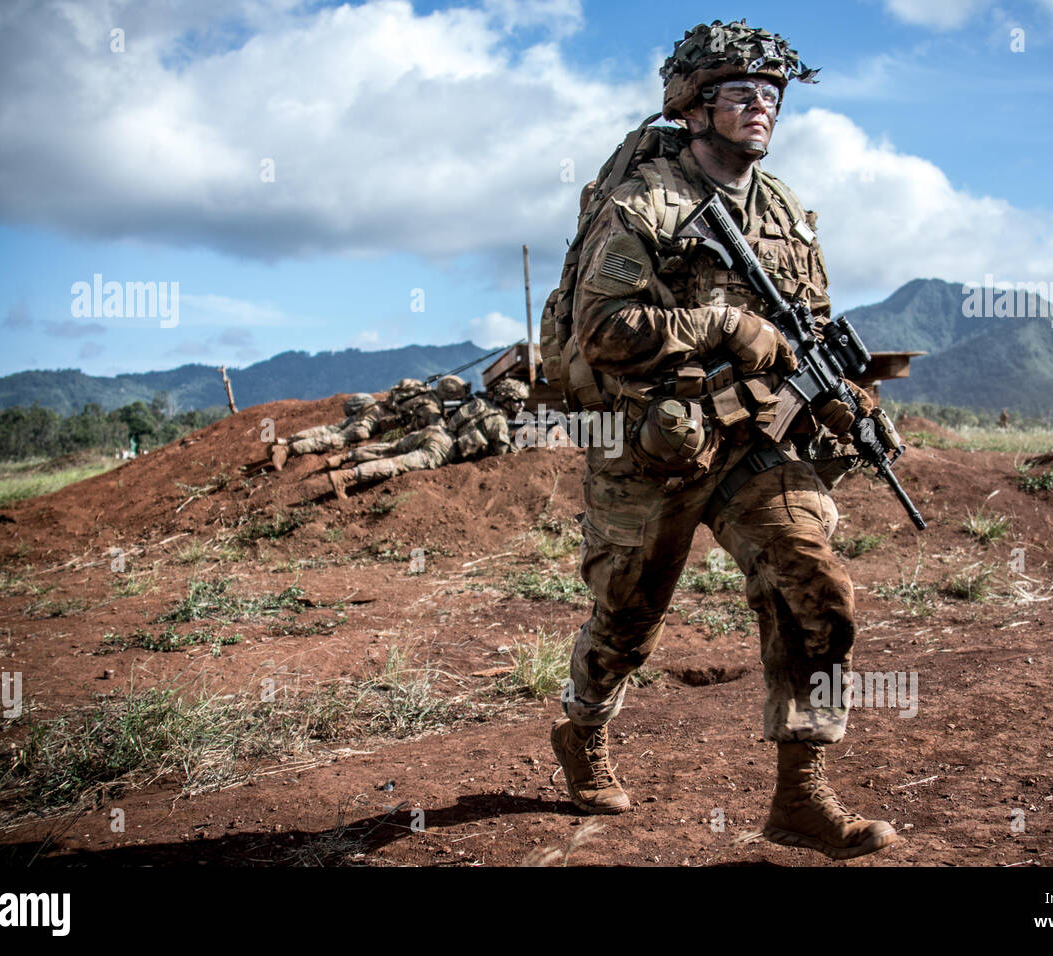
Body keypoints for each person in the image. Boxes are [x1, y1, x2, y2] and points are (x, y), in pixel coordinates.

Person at [548, 19, 898, 861]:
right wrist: (722, 325)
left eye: (772, 95)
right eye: (741, 92)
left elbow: (806, 325)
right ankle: (583, 729)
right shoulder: (645, 203)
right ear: (694, 105)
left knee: (813, 585)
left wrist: (847, 397)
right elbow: (603, 332)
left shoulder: (782, 211)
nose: (762, 107)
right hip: (651, 445)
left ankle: (800, 797)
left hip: (755, 442)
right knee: (628, 617)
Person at [326, 378, 528, 497]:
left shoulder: (480, 404)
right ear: (505, 399)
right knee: (398, 463)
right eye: (517, 401)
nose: (521, 406)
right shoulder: (498, 422)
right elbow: (501, 453)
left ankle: (344, 457)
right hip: (443, 448)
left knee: (390, 447)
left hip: (436, 432)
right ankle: (346, 476)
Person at [270, 375, 468, 471]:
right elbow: (427, 430)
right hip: (376, 419)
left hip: (374, 408)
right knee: (343, 437)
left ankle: (284, 441)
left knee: (332, 428)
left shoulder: (422, 390)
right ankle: (290, 450)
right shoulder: (430, 409)